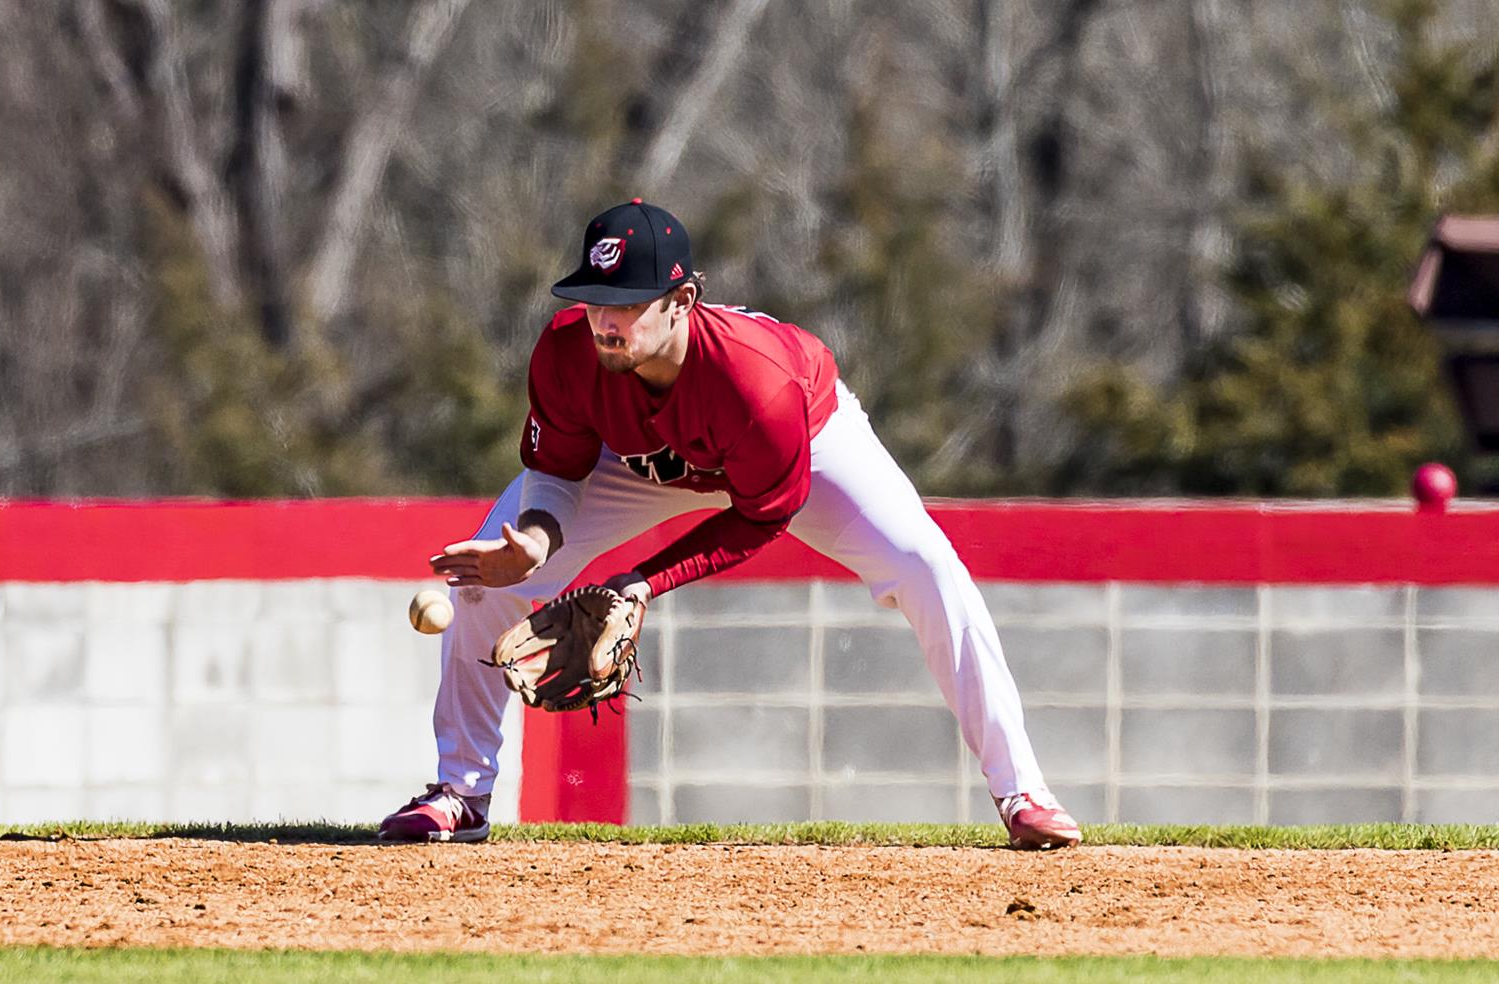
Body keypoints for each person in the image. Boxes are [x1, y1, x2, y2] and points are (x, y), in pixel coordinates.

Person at [378, 199, 1082, 849]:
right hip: (639, 461)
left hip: (801, 436)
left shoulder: (757, 385)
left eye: (625, 303)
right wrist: (532, 543)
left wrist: (642, 583)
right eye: (593, 300)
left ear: (682, 300)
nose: (604, 320)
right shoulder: (568, 353)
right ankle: (461, 795)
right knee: (476, 577)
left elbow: (759, 517)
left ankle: (1022, 791)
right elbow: (559, 474)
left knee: (926, 567)